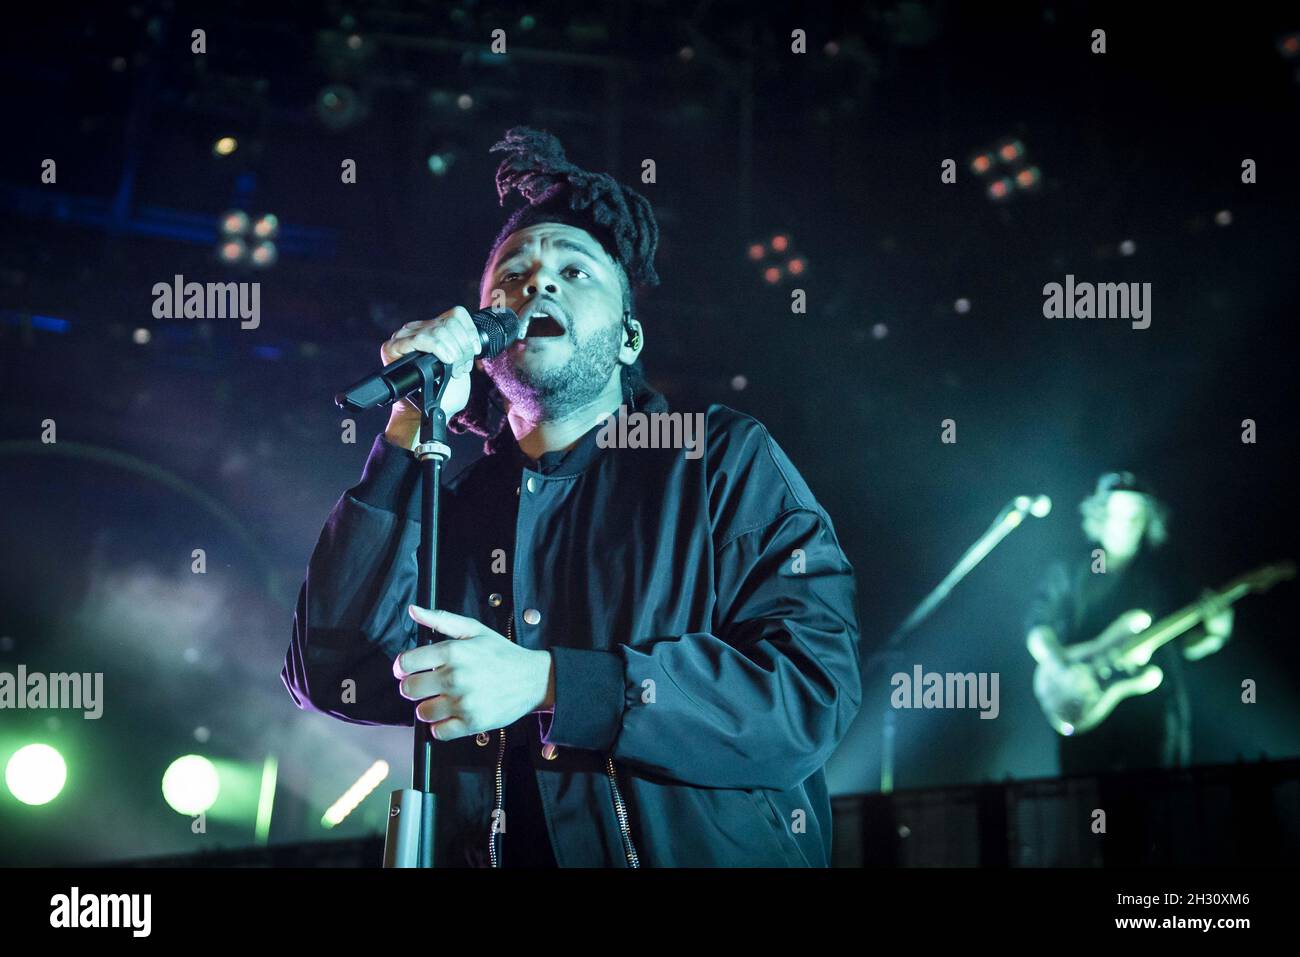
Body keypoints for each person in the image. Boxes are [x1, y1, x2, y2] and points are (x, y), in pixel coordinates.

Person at [281, 127, 863, 867]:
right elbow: (332, 673)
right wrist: (405, 430)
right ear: (486, 341)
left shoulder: (716, 457)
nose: (538, 284)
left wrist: (555, 682)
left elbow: (808, 692)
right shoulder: (446, 500)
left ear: (628, 338)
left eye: (575, 271)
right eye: (512, 277)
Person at [1025, 472, 1234, 775]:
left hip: (1154, 717)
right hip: (1084, 711)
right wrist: (1061, 667)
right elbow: (1038, 626)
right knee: (1088, 808)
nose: (1127, 523)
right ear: (1100, 515)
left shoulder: (1165, 573)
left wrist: (1217, 632)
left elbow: (1187, 646)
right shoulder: (1068, 570)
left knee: (1159, 811)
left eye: (1136, 514)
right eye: (1119, 513)